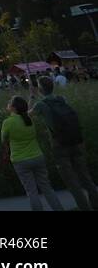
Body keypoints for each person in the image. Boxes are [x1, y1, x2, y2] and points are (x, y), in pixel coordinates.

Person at [32, 76, 98, 212]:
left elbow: (27, 115)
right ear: (52, 87)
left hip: (59, 144)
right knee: (85, 175)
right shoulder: (62, 99)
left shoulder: (41, 104)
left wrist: (32, 97)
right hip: (75, 141)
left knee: (72, 182)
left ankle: (84, 208)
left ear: (40, 89)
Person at [2, 95, 63, 211]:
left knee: (31, 191)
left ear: (13, 108)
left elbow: (4, 141)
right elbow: (26, 113)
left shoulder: (7, 122)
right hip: (37, 156)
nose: (8, 103)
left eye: (10, 102)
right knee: (47, 188)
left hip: (20, 160)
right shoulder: (29, 119)